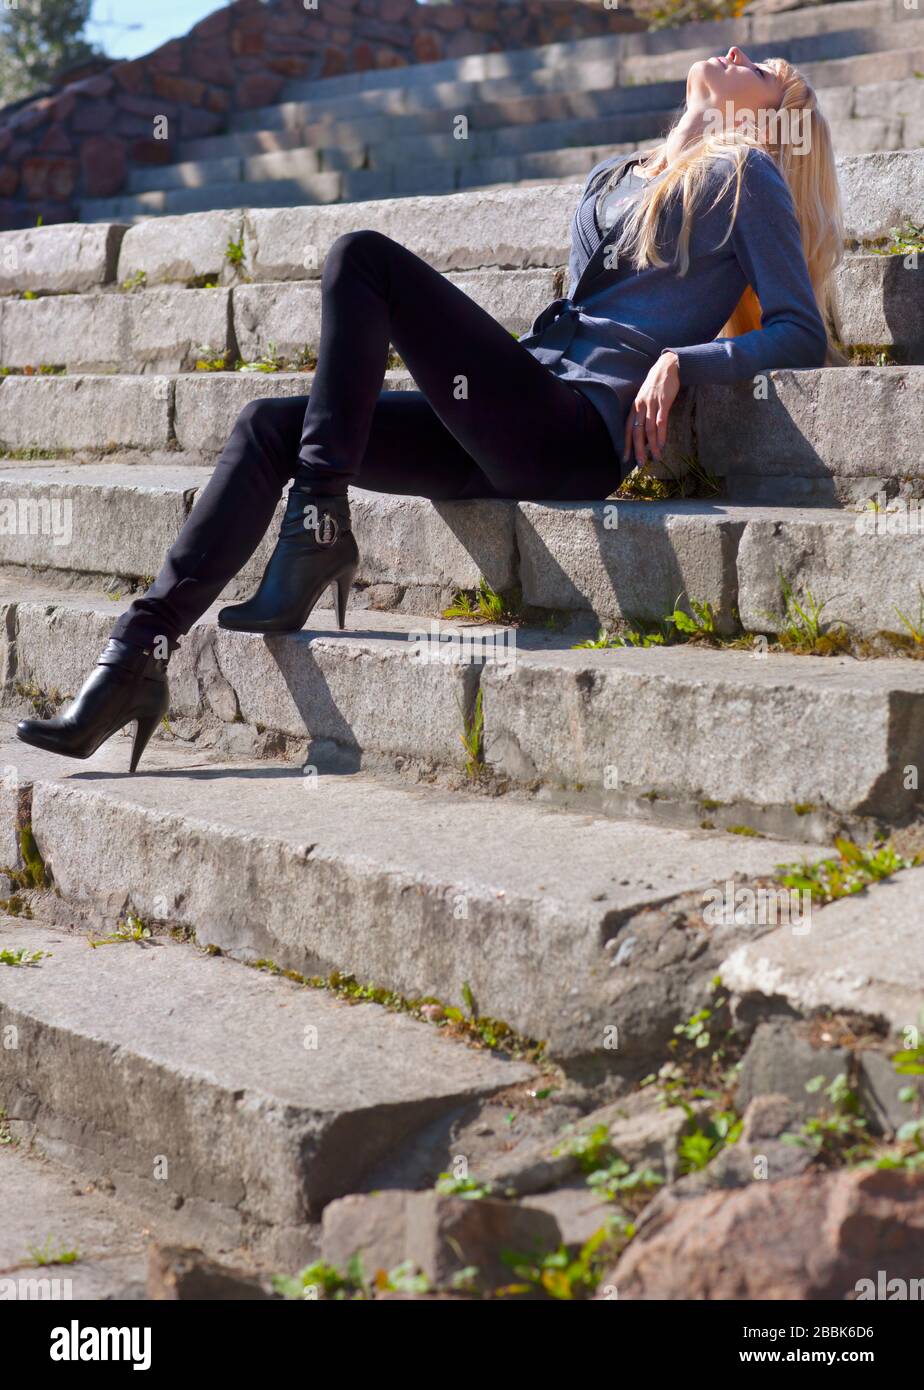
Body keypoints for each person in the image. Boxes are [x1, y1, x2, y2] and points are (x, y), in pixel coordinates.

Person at [17, 47, 843, 772]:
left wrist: (680, 359)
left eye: (767, 70)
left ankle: (319, 522)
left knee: (360, 259)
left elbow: (800, 331)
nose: (741, 51)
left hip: (572, 434)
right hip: (507, 415)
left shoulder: (750, 176)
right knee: (269, 424)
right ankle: (135, 656)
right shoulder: (615, 179)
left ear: (779, 119)